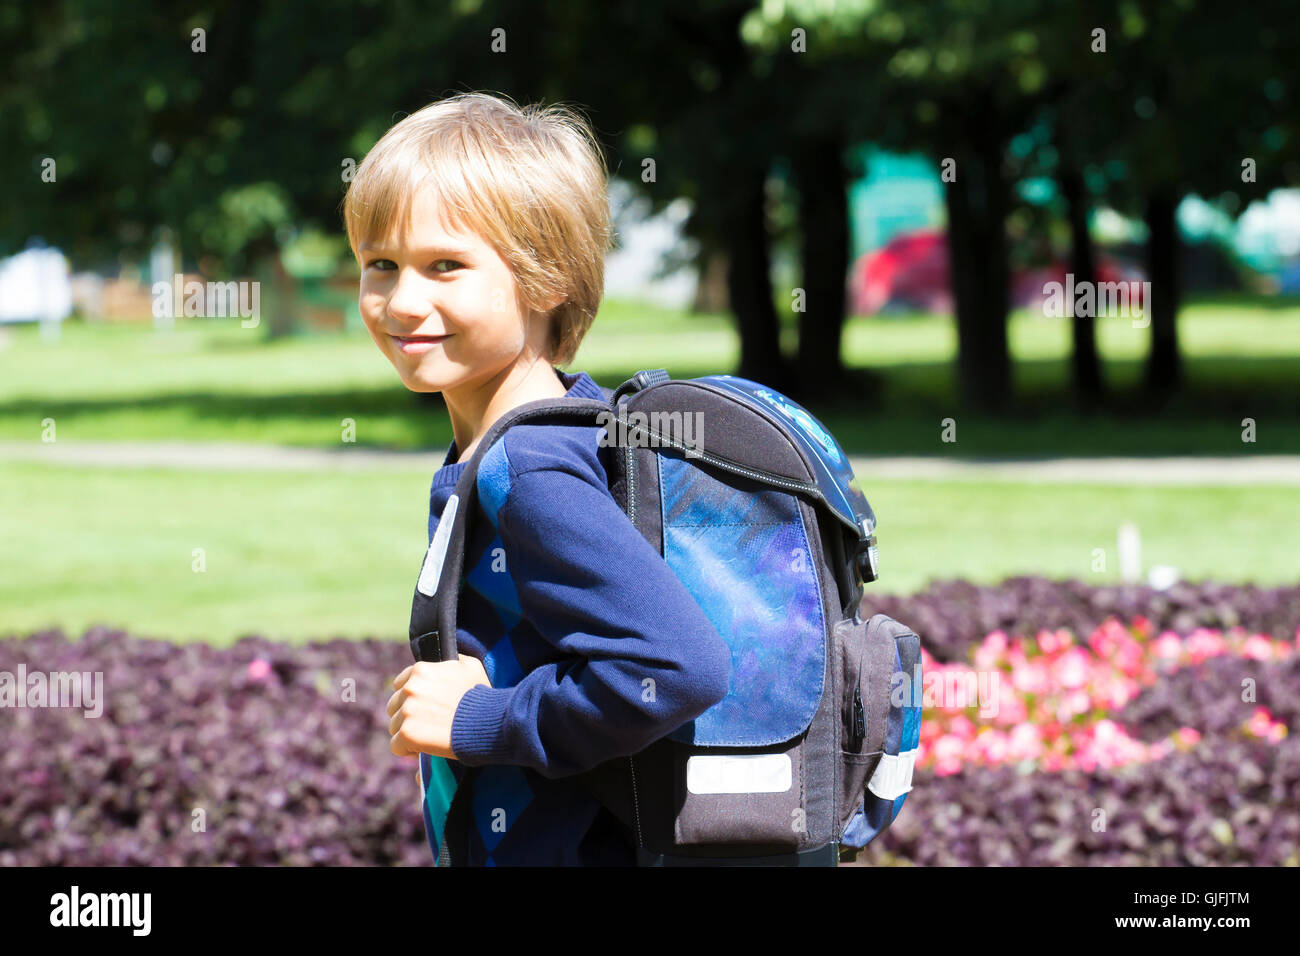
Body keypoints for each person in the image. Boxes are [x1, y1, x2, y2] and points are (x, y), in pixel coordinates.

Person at [342, 92, 731, 865]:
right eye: (381, 265)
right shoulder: (521, 439)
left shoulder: (533, 465)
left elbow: (676, 666)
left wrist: (481, 720)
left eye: (445, 266)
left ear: (546, 278)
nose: (401, 300)